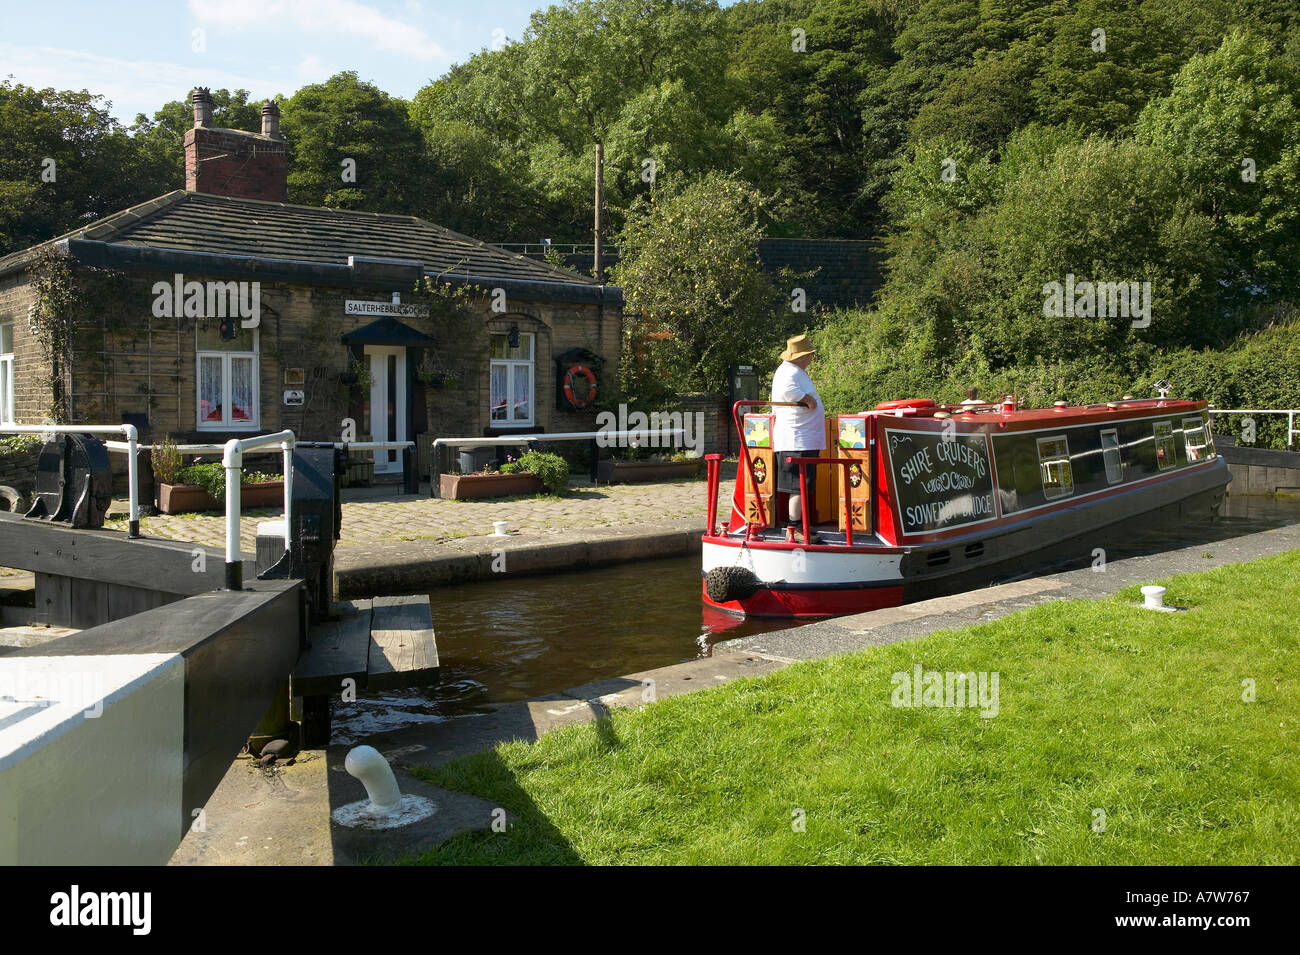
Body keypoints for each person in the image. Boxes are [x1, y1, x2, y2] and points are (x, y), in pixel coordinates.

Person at [770, 334, 825, 543]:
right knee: (797, 485)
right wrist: (809, 400)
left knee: (802, 484)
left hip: (802, 438)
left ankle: (799, 526)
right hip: (796, 439)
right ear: (802, 357)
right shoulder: (789, 372)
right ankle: (794, 529)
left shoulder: (792, 371)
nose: (811, 358)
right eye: (810, 355)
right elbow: (789, 392)